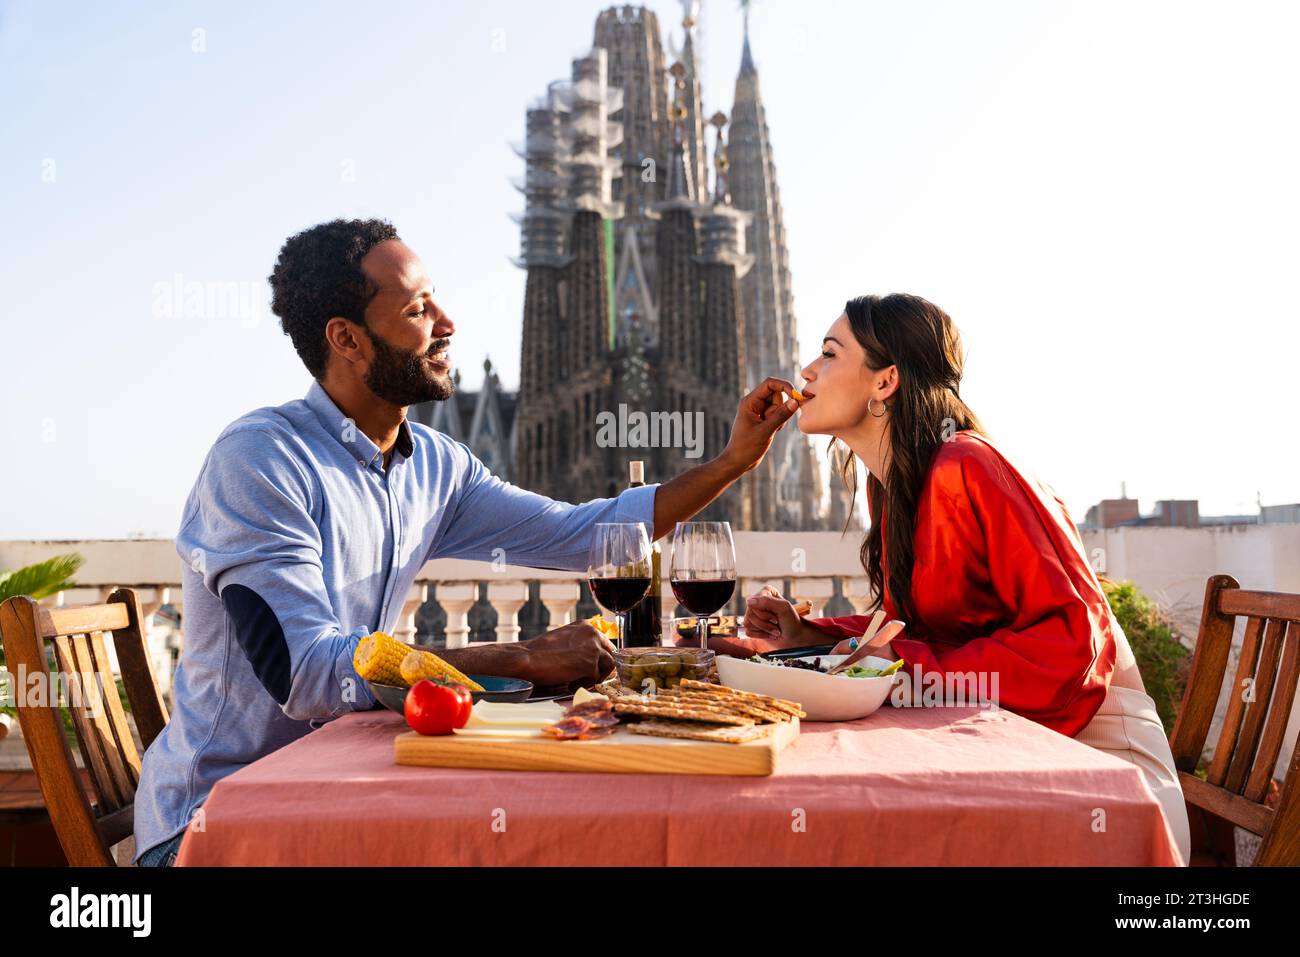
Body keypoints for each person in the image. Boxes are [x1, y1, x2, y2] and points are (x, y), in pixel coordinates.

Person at [133, 218, 800, 866]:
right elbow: (308, 673)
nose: (447, 323)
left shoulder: (433, 467)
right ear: (347, 338)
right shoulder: (259, 460)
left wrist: (733, 461)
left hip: (343, 792)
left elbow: (588, 536)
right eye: (419, 309)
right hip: (214, 825)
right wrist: (525, 655)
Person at [741, 293, 1191, 865]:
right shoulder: (901, 487)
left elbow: (1073, 644)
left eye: (830, 354)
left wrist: (895, 668)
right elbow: (926, 628)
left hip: (1100, 761)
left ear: (885, 383)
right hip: (1016, 744)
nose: (807, 370)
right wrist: (815, 636)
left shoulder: (968, 465)